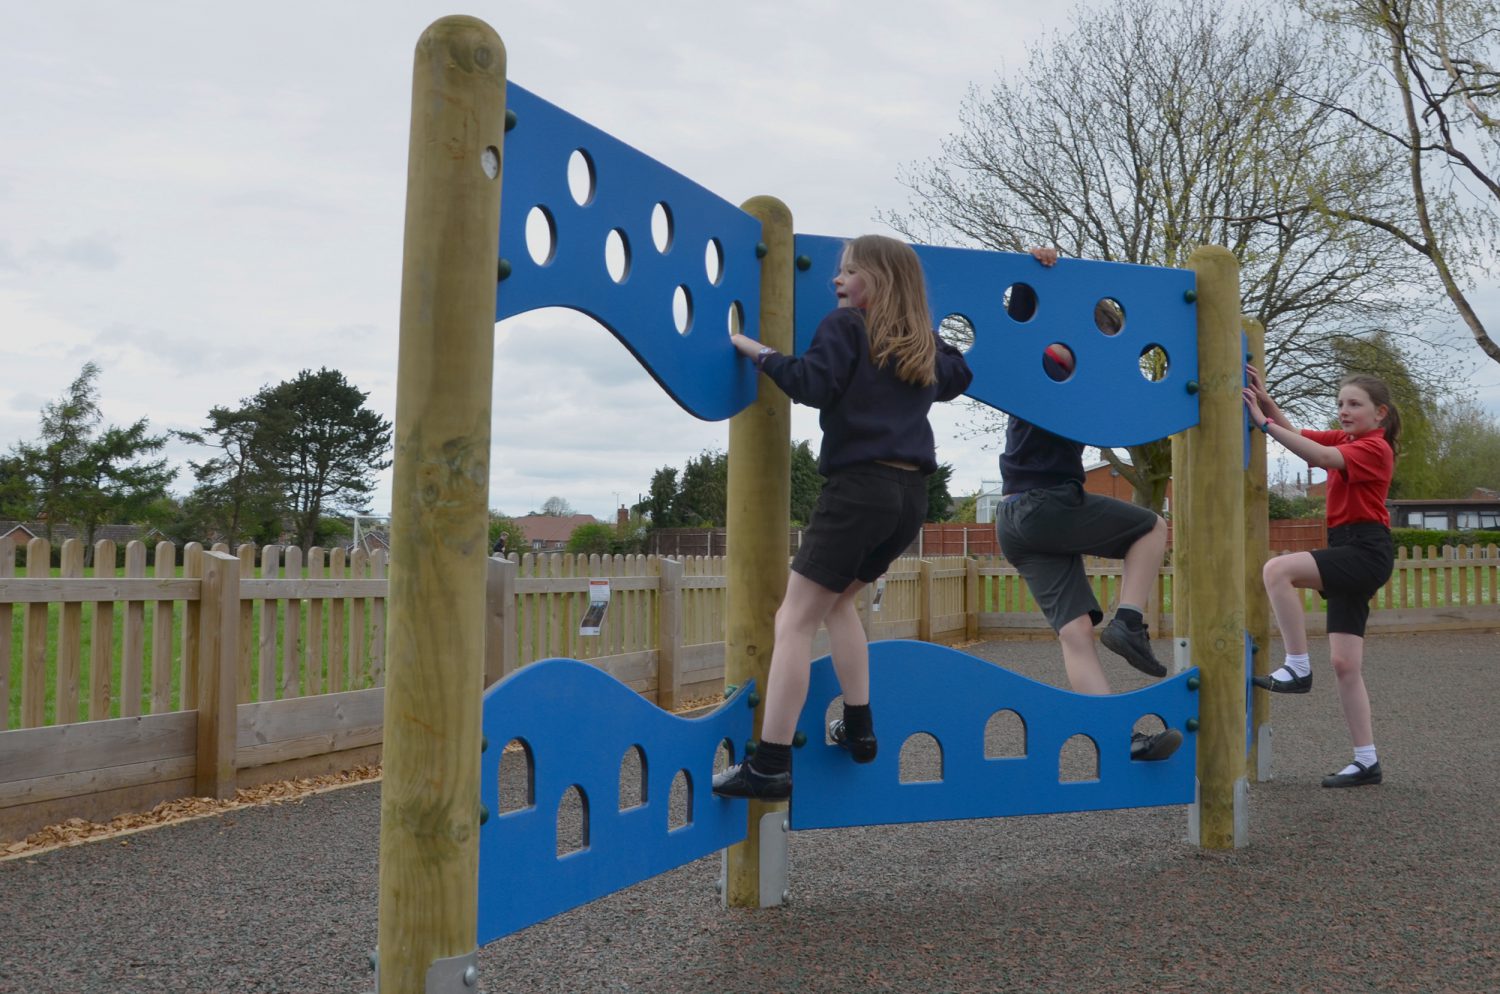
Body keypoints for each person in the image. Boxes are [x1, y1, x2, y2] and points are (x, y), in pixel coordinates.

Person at [712, 234, 973, 800]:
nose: (836, 279)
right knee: (838, 603)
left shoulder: (845, 326)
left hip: (858, 491)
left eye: (850, 271)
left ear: (879, 282)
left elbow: (811, 384)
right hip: (910, 499)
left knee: (794, 620)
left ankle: (770, 763)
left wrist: (756, 351)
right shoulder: (919, 346)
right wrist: (926, 328)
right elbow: (960, 373)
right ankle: (860, 729)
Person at [992, 246, 1181, 763]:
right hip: (1045, 503)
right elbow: (1024, 327)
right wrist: (1033, 276)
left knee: (1075, 634)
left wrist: (1033, 285)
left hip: (1012, 520)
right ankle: (1130, 622)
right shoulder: (1056, 359)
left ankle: (1117, 739)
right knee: (1152, 528)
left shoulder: (1072, 379)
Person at [1242, 366, 1398, 788]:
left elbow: (1320, 458)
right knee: (1345, 664)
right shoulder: (1347, 440)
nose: (1344, 411)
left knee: (1277, 569)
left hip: (1365, 550)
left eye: (1354, 404)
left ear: (1379, 413)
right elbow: (1305, 442)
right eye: (1340, 404)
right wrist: (1269, 405)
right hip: (1348, 546)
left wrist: (1263, 424)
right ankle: (1366, 761)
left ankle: (1297, 666)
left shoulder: (1374, 448)